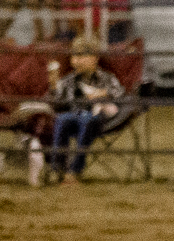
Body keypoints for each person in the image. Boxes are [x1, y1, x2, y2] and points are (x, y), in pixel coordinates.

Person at [46, 34, 126, 186]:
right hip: (73, 116)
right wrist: (54, 86)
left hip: (97, 119)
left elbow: (120, 93)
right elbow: (57, 103)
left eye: (82, 56)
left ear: (95, 58)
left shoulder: (106, 78)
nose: (77, 61)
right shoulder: (68, 80)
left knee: (88, 119)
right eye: (75, 56)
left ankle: (74, 171)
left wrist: (104, 93)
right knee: (62, 119)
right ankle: (57, 169)